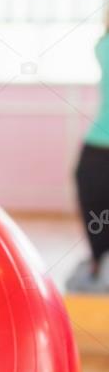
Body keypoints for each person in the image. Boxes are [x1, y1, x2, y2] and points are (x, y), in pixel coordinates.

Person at [66, 17, 109, 292]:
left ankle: (98, 265)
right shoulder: (104, 45)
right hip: (97, 153)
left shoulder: (103, 44)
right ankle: (97, 265)